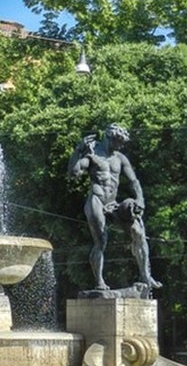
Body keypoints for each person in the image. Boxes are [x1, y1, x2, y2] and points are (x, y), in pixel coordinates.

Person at [68, 124, 162, 291]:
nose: (120, 146)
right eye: (118, 141)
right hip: (96, 200)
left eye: (122, 143)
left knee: (139, 233)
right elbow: (74, 173)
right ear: (109, 137)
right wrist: (78, 151)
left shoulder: (120, 158)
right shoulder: (92, 155)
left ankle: (145, 275)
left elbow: (134, 182)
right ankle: (99, 282)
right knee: (101, 241)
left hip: (113, 204)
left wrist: (140, 200)